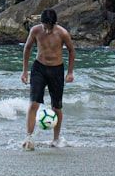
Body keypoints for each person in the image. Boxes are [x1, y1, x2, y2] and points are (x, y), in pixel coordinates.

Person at [20, 8, 75, 150]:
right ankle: (29, 137)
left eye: (49, 27)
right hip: (39, 68)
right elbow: (27, 48)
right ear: (41, 23)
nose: (47, 30)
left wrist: (70, 72)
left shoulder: (62, 33)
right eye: (45, 26)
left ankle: (56, 139)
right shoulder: (35, 31)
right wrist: (25, 71)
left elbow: (71, 50)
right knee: (33, 103)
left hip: (56, 70)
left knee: (56, 106)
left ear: (54, 24)